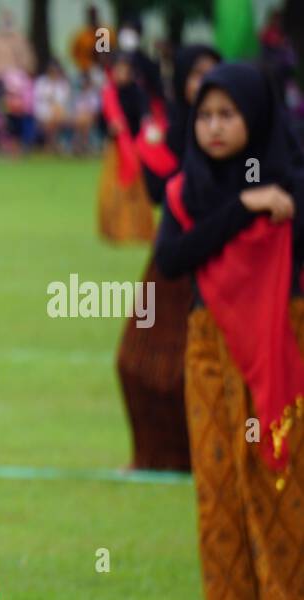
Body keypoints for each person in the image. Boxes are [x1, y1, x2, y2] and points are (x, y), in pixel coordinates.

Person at [154, 62, 304, 600]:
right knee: (218, 487)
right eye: (205, 116)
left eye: (228, 115)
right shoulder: (186, 189)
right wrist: (244, 206)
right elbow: (173, 256)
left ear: (257, 118)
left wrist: (274, 202)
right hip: (209, 345)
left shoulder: (292, 181)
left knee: (282, 478)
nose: (214, 128)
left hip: (280, 341)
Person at [116, 45, 220, 472]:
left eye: (212, 74)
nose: (203, 84)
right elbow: (159, 190)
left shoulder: (244, 139)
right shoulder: (170, 130)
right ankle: (157, 456)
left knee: (202, 364)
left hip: (218, 262)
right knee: (136, 362)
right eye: (195, 74)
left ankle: (206, 452)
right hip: (171, 258)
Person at [97, 53, 155, 244]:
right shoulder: (110, 95)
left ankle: (138, 230)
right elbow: (101, 121)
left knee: (136, 190)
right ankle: (114, 230)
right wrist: (110, 128)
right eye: (118, 70)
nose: (121, 74)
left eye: (125, 70)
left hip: (134, 148)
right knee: (112, 190)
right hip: (115, 149)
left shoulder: (138, 93)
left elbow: (145, 116)